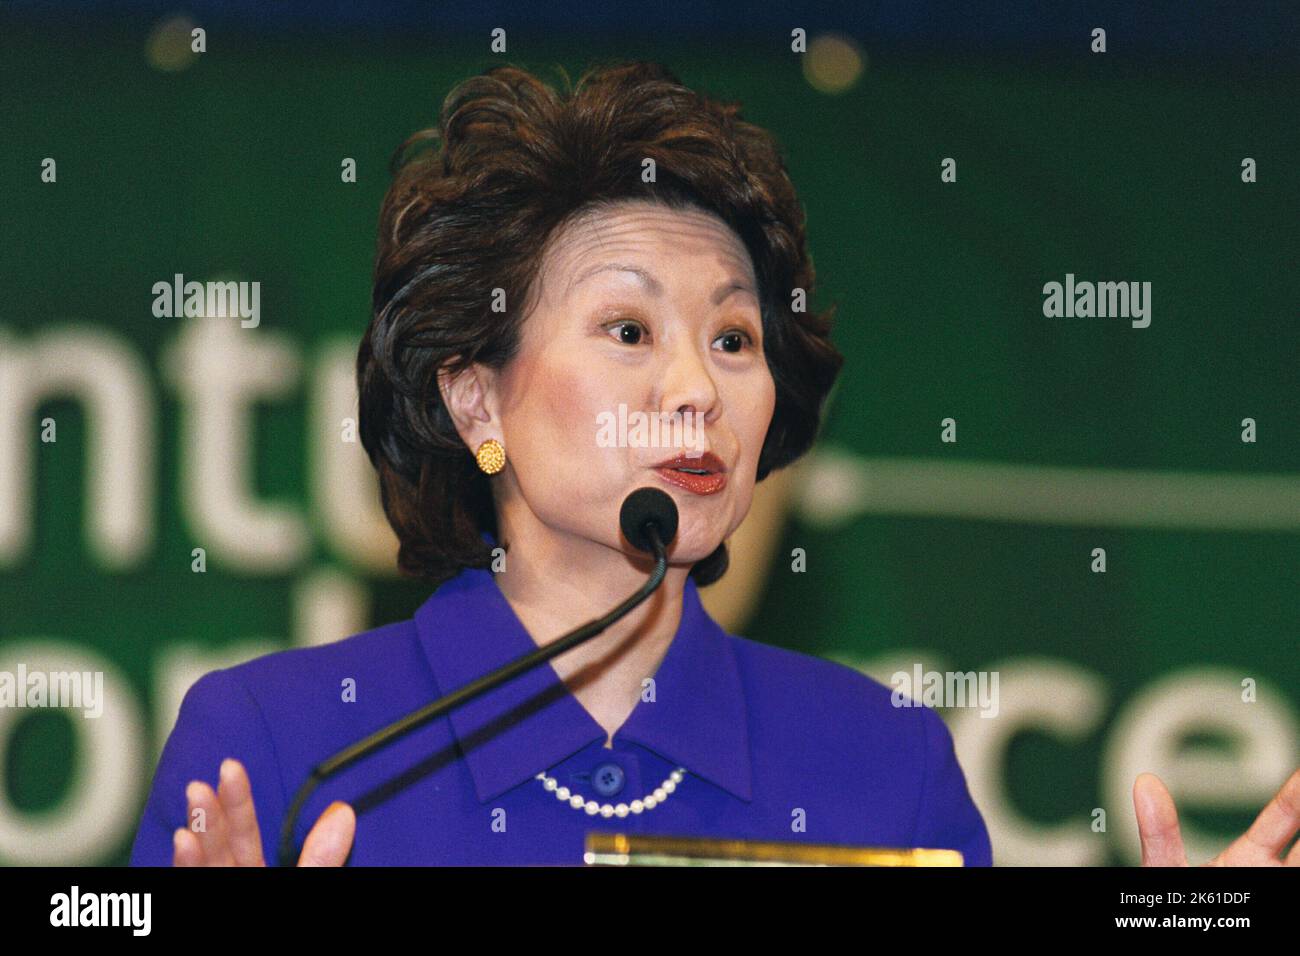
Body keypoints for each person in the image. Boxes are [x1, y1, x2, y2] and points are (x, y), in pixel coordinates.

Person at [128, 61, 1300, 868]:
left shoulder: (879, 760)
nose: (697, 388)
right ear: (475, 392)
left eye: (733, 338)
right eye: (629, 329)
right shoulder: (280, 746)